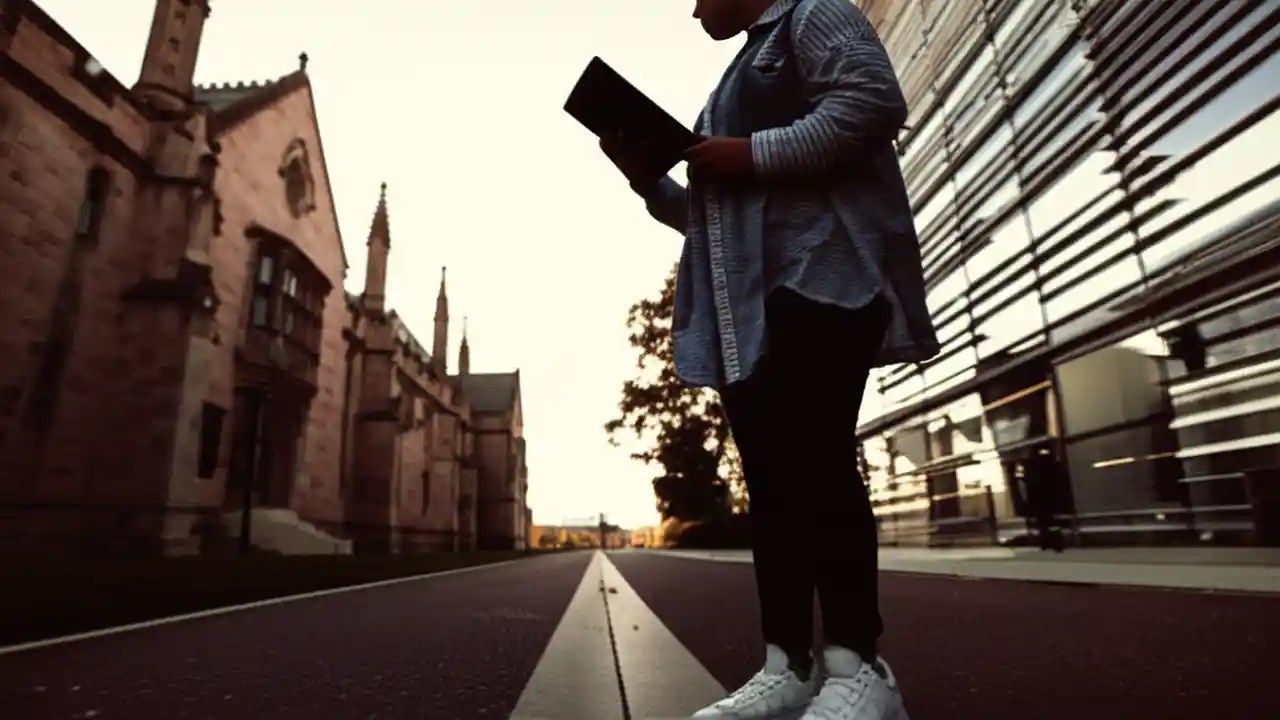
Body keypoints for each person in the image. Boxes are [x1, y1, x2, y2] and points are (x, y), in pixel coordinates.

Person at [600, 0, 938, 718]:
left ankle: (862, 670)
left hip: (823, 277)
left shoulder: (813, 15)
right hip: (749, 310)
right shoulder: (733, 76)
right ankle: (787, 664)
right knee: (776, 489)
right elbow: (710, 214)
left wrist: (749, 152)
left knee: (818, 465)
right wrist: (646, 179)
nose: (691, 8)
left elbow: (873, 100)